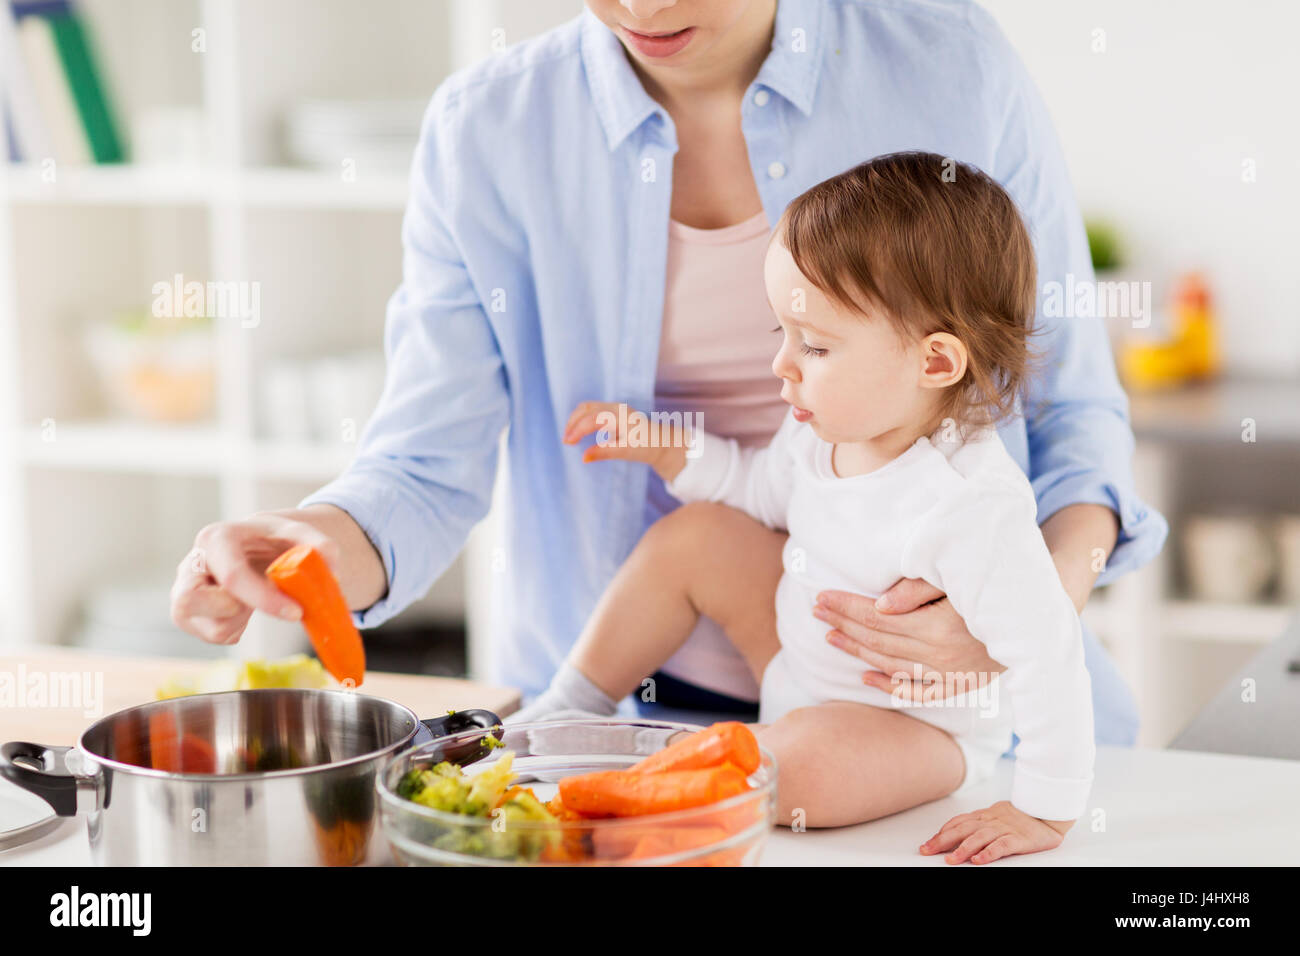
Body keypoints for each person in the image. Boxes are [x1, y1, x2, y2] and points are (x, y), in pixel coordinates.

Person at [169, 0, 1166, 745]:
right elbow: (423, 469)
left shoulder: (947, 65)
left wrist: (1019, 615)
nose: (642, 8)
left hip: (948, 717)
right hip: (612, 727)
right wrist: (312, 548)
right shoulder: (489, 131)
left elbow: (1073, 414)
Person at [511, 152, 1095, 864]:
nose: (782, 365)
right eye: (781, 334)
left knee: (794, 776)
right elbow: (761, 491)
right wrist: (672, 452)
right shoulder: (825, 428)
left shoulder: (969, 503)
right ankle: (565, 709)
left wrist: (1046, 807)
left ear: (936, 362)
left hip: (913, 730)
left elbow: (1048, 654)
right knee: (695, 536)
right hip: (798, 667)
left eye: (815, 345)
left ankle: (640, 796)